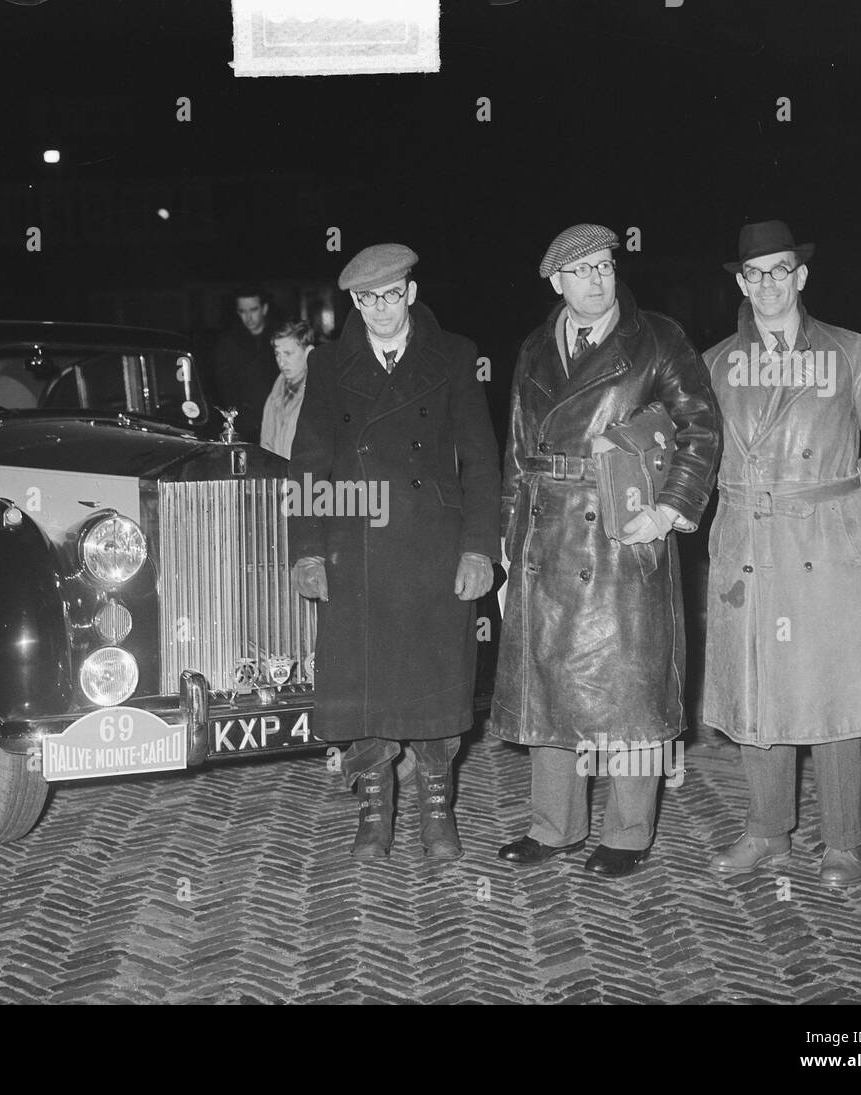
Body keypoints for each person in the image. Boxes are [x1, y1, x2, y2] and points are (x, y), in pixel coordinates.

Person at [489, 223, 722, 878]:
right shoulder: (535, 349)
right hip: (544, 535)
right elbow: (515, 454)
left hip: (622, 534)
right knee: (547, 686)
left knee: (632, 692)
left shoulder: (658, 339)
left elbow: (700, 424)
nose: (597, 278)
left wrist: (669, 509)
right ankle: (553, 825)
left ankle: (628, 831)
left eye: (605, 266)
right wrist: (509, 551)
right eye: (582, 269)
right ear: (556, 280)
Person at [702, 220, 861, 887]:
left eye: (780, 269)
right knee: (757, 691)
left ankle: (844, 841)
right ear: (742, 282)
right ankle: (768, 829)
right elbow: (691, 454)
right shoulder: (714, 363)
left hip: (823, 547)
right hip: (747, 546)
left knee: (833, 693)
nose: (768, 284)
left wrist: (850, 502)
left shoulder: (848, 352)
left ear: (801, 276)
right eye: (754, 273)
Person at [288, 243, 501, 860]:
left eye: (390, 295)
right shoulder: (328, 367)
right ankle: (373, 811)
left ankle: (438, 810)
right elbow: (310, 463)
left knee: (437, 682)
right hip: (352, 545)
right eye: (365, 299)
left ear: (409, 292)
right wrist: (306, 551)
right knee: (364, 687)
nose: (379, 309)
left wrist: (479, 550)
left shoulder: (456, 355)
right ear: (354, 301)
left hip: (433, 546)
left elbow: (482, 462)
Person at [213, 288, 276, 443]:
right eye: (242, 311)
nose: (248, 317)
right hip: (244, 427)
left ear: (264, 309)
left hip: (276, 421)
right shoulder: (228, 343)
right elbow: (224, 387)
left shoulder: (280, 338)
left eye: (253, 310)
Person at [260, 320, 314, 459]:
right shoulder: (275, 395)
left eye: (288, 353)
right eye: (278, 354)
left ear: (309, 352)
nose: (281, 362)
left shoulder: (319, 393)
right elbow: (265, 446)